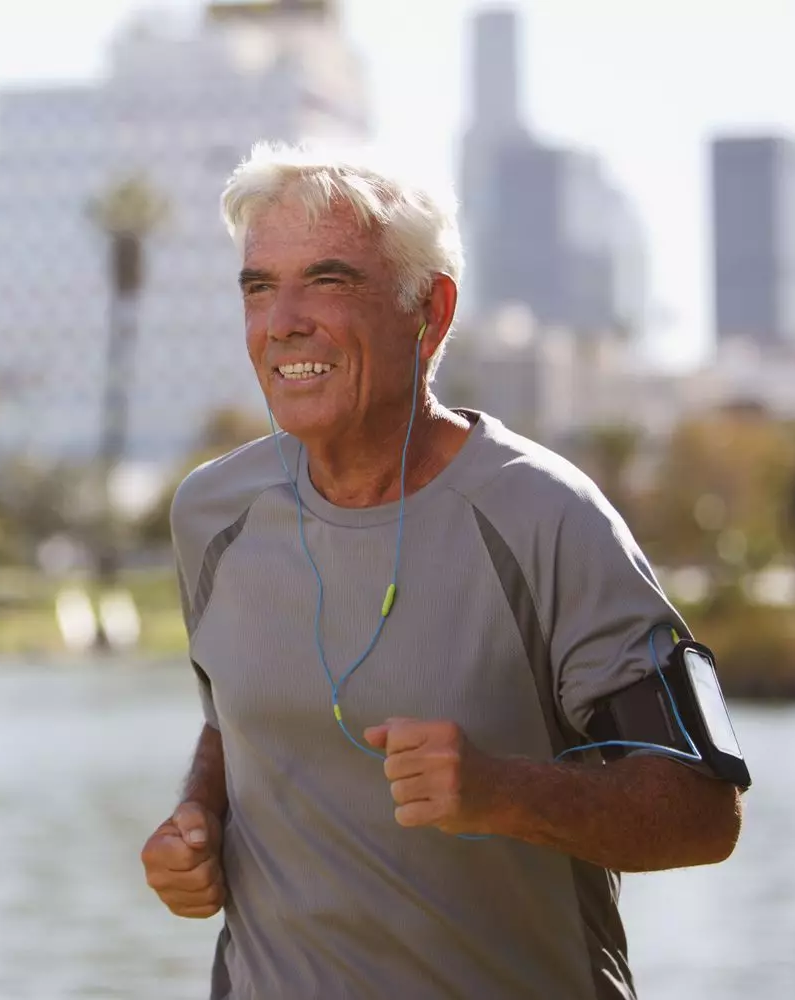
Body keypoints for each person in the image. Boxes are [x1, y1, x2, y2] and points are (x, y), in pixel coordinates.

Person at [139, 141, 746, 999]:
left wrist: (504, 793)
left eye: (329, 280)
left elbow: (702, 812)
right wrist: (198, 819)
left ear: (432, 309)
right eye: (259, 286)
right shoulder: (210, 514)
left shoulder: (549, 516)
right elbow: (229, 723)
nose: (283, 321)